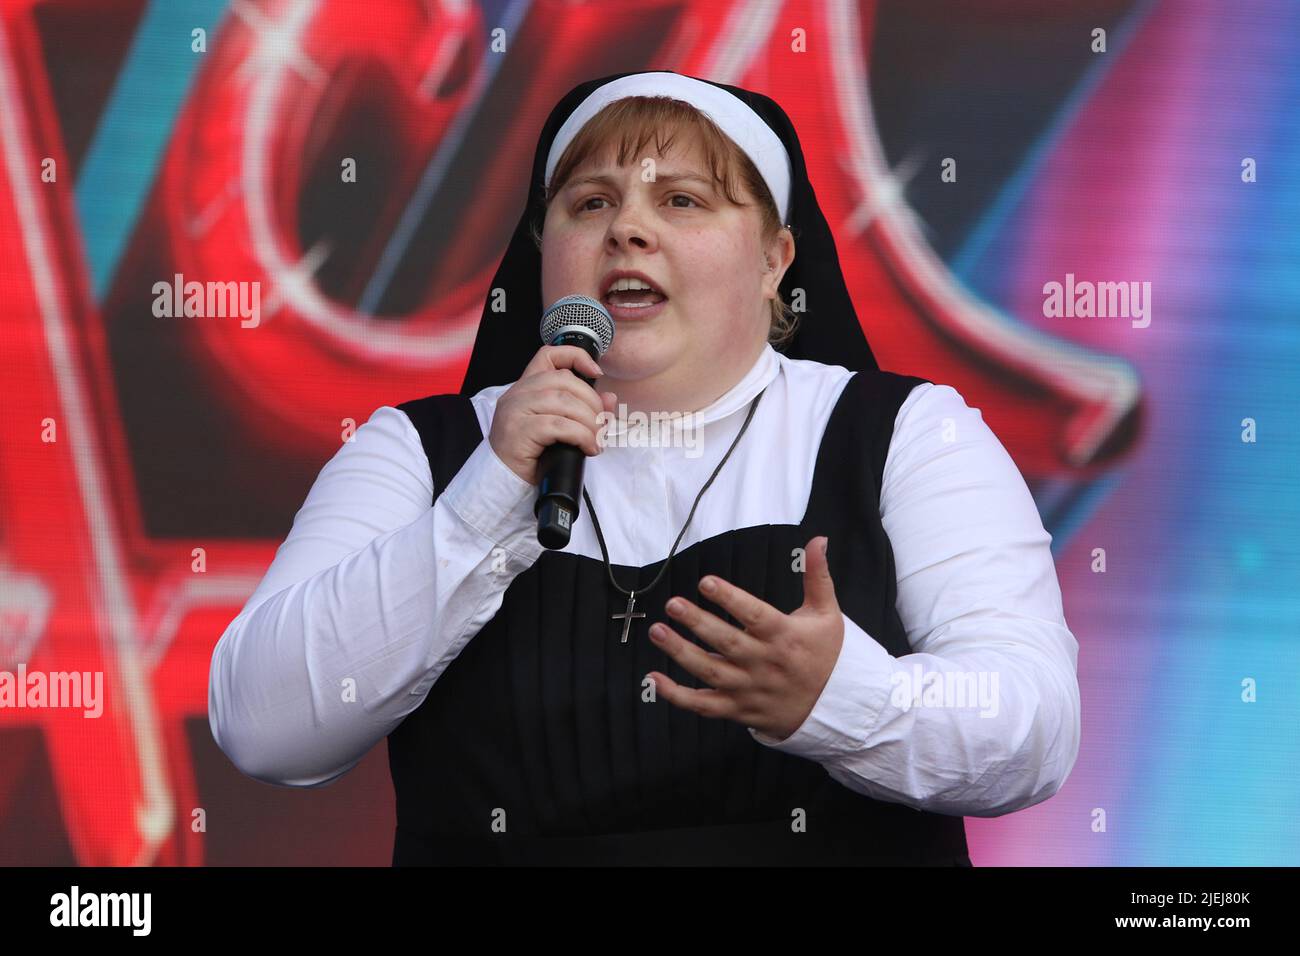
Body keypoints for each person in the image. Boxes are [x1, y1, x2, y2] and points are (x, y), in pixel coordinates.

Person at [208, 70, 1081, 866]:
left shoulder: (910, 437)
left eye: (684, 201)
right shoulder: (416, 452)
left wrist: (846, 698)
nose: (628, 227)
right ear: (543, 251)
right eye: (589, 204)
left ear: (776, 261)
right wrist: (485, 500)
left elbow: (1036, 729)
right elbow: (264, 729)